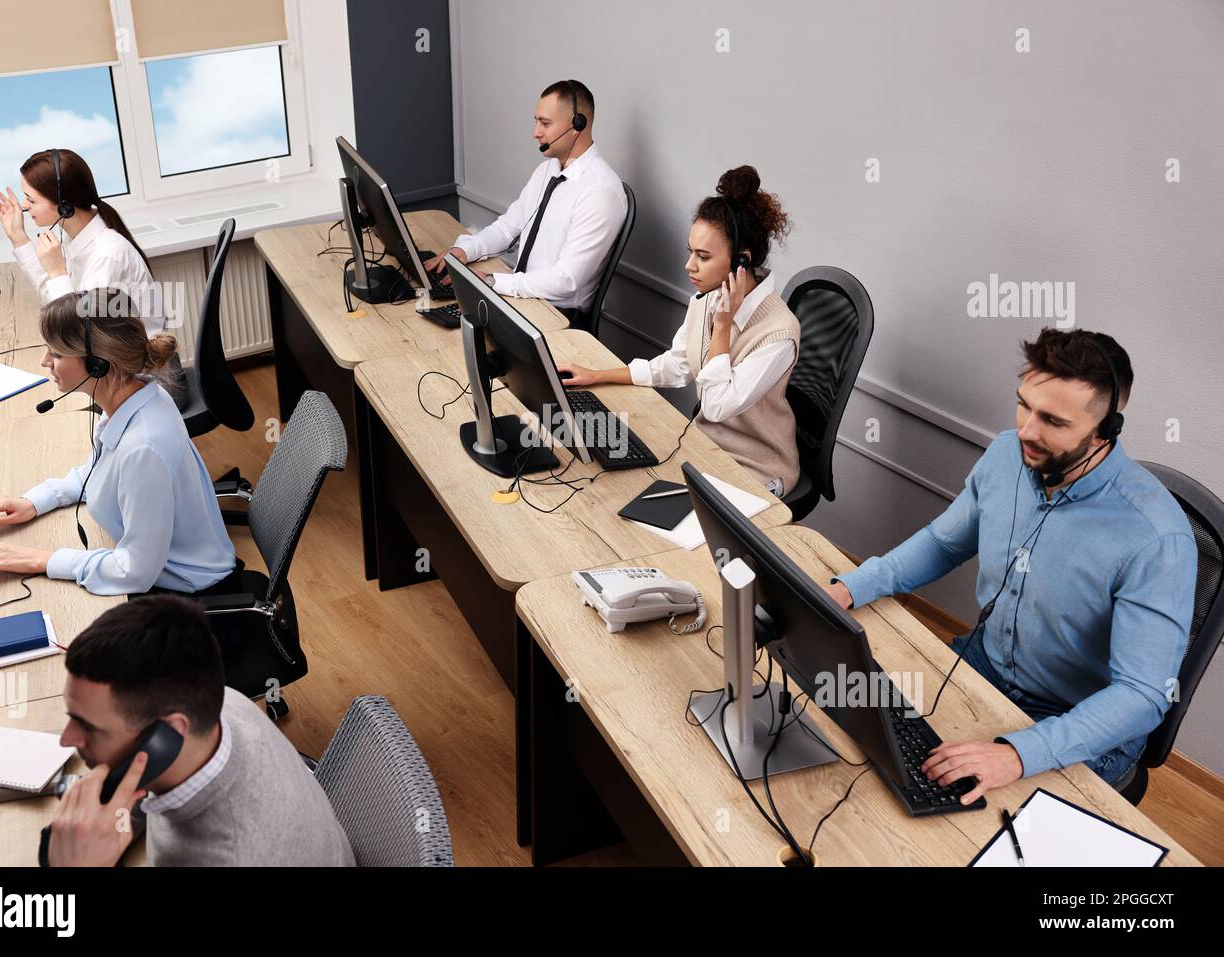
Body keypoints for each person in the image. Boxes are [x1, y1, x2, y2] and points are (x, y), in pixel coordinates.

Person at [824, 328, 1196, 803]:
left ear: (1107, 430)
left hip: (1073, 716)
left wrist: (1016, 755)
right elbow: (943, 543)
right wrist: (852, 588)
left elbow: (1143, 695)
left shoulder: (1157, 539)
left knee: (969, 824)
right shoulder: (1006, 454)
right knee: (858, 732)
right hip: (984, 664)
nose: (1026, 431)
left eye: (1053, 421)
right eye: (1024, 405)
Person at [0, 288, 236, 597]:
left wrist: (43, 559)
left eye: (57, 353)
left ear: (98, 364)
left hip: (184, 595)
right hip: (155, 570)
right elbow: (97, 473)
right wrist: (34, 501)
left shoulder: (143, 447)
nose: (44, 361)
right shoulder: (134, 397)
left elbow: (135, 572)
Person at [44, 595, 355, 866]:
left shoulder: (227, 857)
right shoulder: (216, 702)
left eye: (89, 728)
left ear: (167, 736)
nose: (66, 739)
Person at [558, 166, 801, 496]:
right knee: (610, 486)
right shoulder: (707, 298)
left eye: (703, 256)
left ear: (741, 262)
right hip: (705, 449)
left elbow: (715, 406)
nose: (690, 266)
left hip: (756, 470)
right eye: (691, 252)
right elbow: (677, 366)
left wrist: (723, 325)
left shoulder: (779, 333)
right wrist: (598, 375)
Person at [423, 79, 627, 329]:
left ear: (577, 124)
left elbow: (567, 279)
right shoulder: (547, 170)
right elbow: (508, 228)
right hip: (523, 299)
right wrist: (466, 250)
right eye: (536, 121)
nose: (536, 132)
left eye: (545, 123)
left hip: (557, 317)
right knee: (426, 311)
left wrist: (492, 282)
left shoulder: (600, 191)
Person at [0, 147, 187, 406]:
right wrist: (18, 237)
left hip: (147, 385)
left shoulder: (107, 255)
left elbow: (78, 334)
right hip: (114, 373)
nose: (25, 206)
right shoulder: (80, 237)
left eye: (31, 200)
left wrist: (57, 271)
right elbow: (58, 306)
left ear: (63, 205)